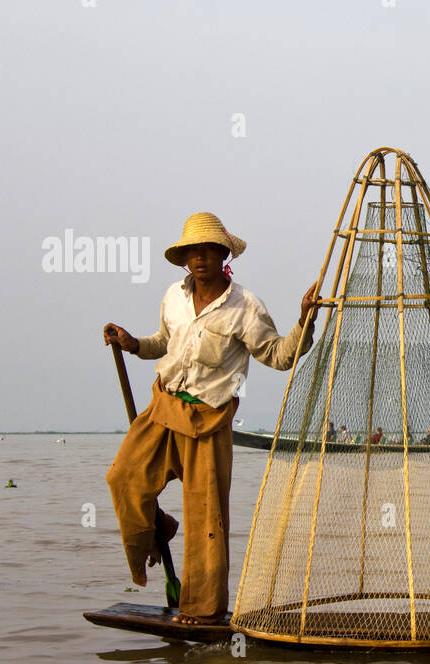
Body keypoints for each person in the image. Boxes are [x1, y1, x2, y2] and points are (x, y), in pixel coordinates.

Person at [103, 212, 316, 625]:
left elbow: (279, 355)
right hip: (163, 406)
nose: (199, 258)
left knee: (206, 520)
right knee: (123, 478)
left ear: (223, 255)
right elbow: (163, 343)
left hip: (209, 419)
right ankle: (157, 527)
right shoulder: (173, 297)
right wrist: (131, 343)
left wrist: (306, 318)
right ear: (184, 258)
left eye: (207, 251)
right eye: (192, 252)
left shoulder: (244, 307)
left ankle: (200, 610)